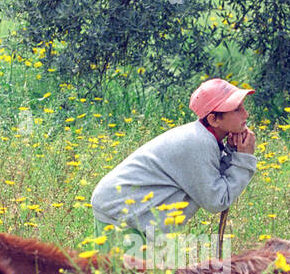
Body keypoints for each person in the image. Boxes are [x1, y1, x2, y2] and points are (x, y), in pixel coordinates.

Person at [90, 78, 258, 260]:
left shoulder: (204, 137)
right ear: (213, 119)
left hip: (129, 213)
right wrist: (243, 158)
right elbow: (217, 201)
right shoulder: (198, 142)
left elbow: (215, 181)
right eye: (237, 109)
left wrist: (234, 152)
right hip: (121, 214)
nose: (246, 114)